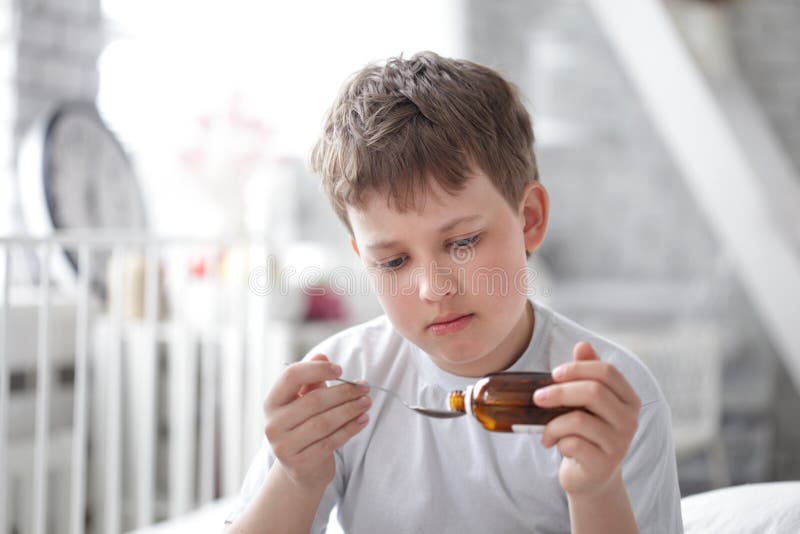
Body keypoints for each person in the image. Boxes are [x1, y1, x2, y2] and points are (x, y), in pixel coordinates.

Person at [225, 51, 682, 533]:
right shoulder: (341, 388)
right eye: (393, 261)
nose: (433, 287)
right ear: (363, 260)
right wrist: (297, 481)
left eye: (462, 242)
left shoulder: (611, 406)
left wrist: (595, 489)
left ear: (529, 219)